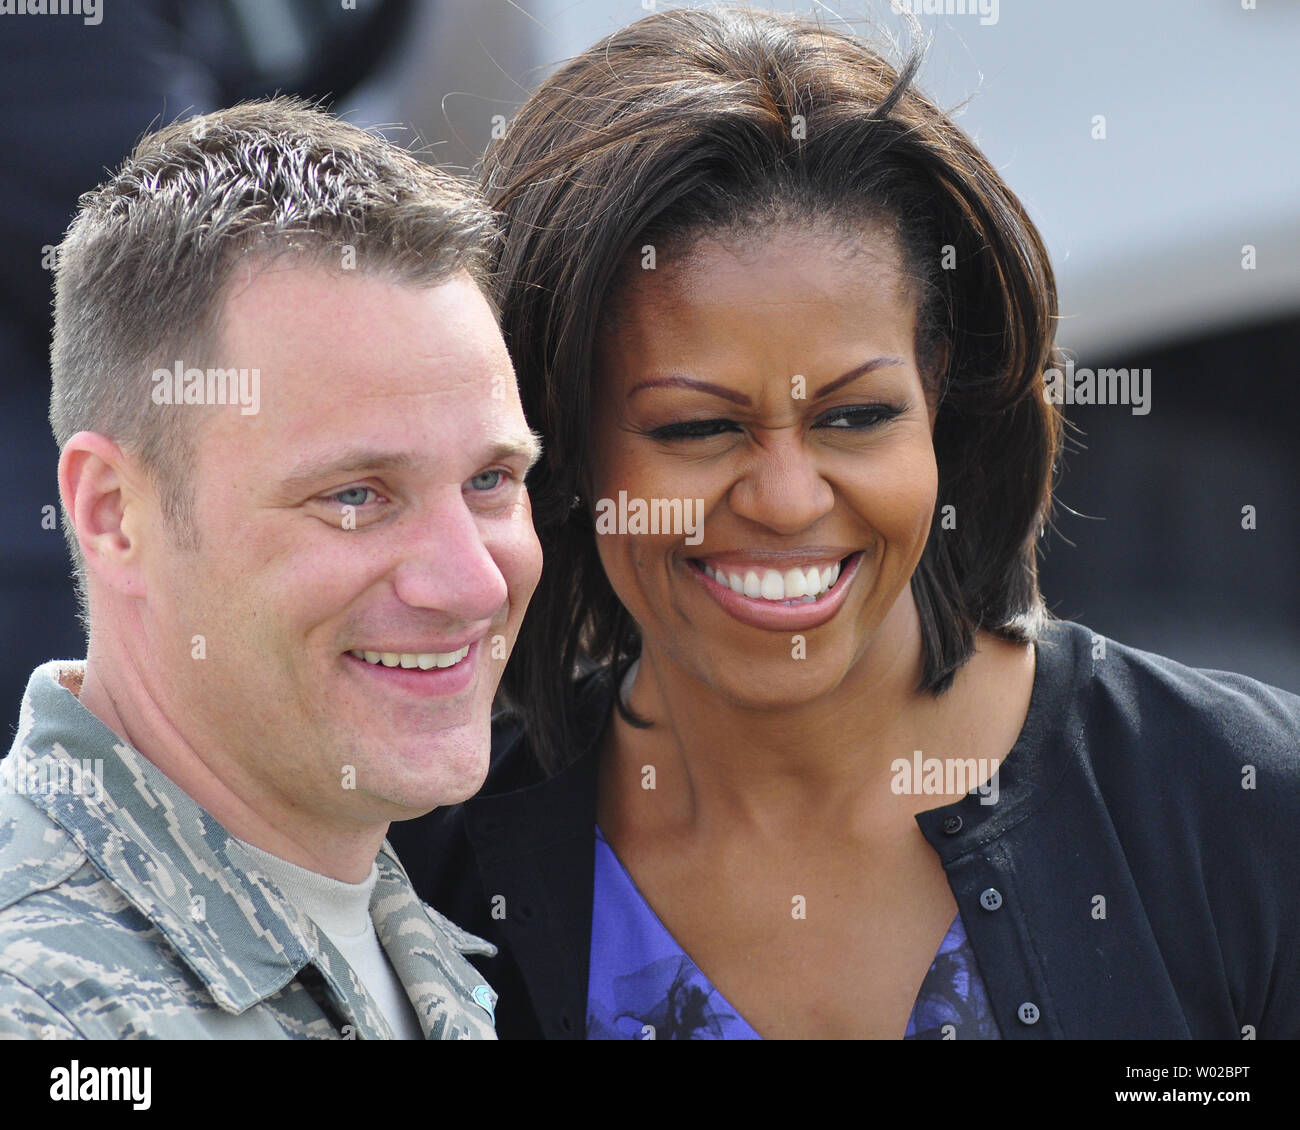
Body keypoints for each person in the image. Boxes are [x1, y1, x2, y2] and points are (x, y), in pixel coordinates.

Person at [388, 8, 1300, 1039]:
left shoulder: (1241, 809)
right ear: (562, 443)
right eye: (696, 426)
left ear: (941, 400)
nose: (787, 498)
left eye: (857, 416)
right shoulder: (420, 880)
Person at [0, 98, 543, 1039]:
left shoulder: (395, 927)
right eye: (356, 496)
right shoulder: (41, 1005)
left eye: (492, 480)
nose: (474, 584)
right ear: (111, 513)